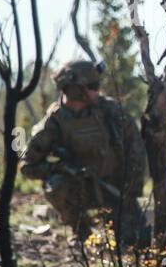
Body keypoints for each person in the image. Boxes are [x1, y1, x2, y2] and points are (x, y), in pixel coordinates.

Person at [21, 58, 146, 243]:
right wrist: (59, 169)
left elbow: (136, 150)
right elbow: (27, 166)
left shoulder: (110, 111)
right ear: (75, 89)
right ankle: (81, 230)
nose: (98, 90)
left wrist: (132, 189)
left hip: (114, 188)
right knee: (56, 186)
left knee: (135, 241)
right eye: (93, 85)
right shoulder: (54, 122)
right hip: (78, 189)